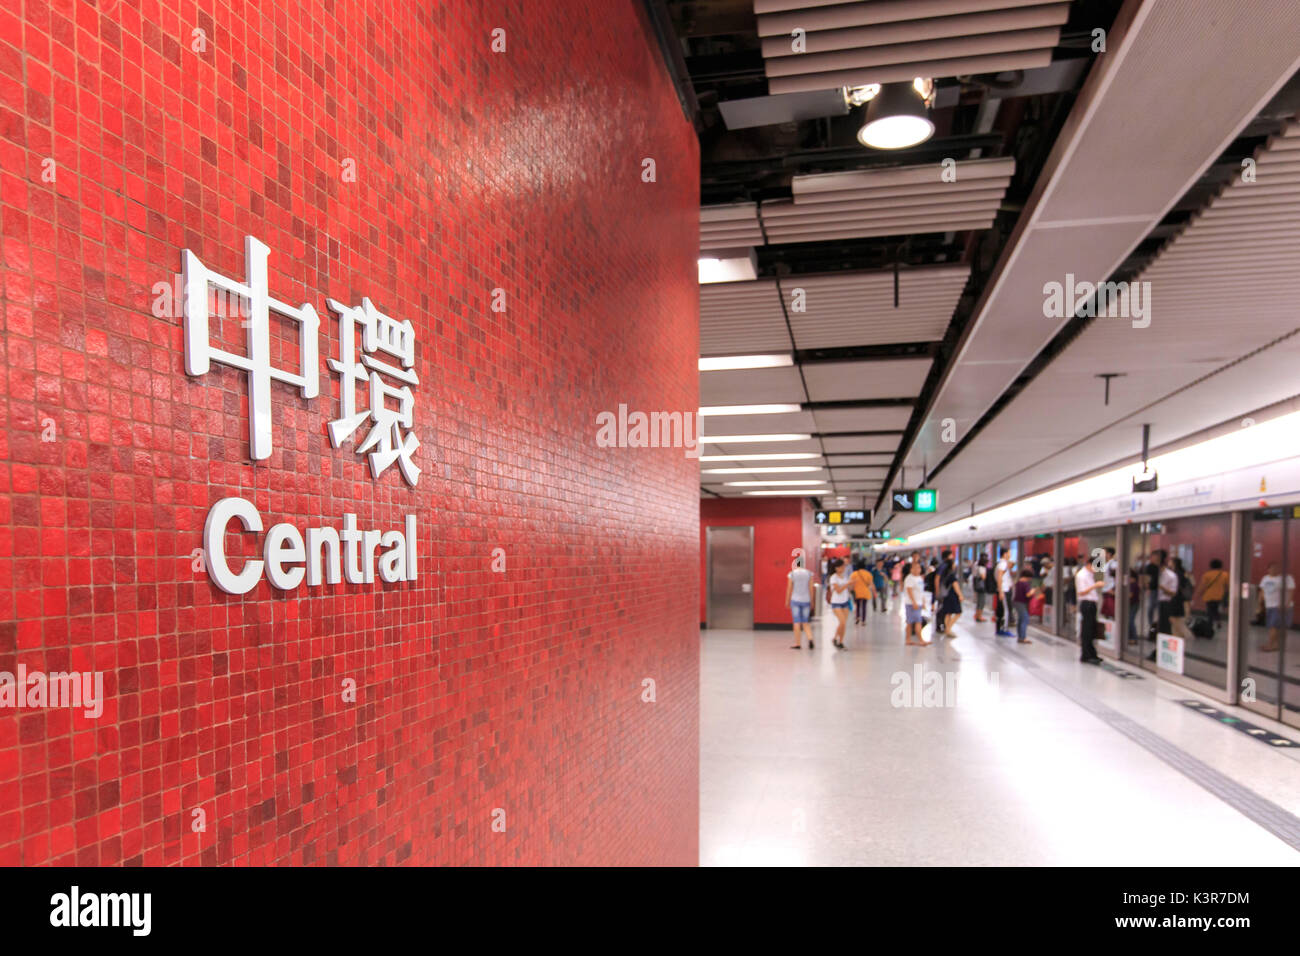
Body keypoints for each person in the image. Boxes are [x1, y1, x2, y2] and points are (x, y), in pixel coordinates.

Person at [1258, 562, 1295, 653]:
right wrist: (1260, 604)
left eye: (1276, 568)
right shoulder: (1265, 578)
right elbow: (1262, 591)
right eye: (1272, 568)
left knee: (1274, 626)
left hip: (1280, 606)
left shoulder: (1287, 578)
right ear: (1268, 569)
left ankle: (1272, 645)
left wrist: (1286, 603)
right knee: (1273, 626)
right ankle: (1275, 645)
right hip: (1269, 605)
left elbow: (1291, 591)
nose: (1274, 569)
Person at [1075, 557, 1104, 663]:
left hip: (1091, 604)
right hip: (1087, 604)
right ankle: (1086, 655)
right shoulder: (1082, 575)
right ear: (1089, 564)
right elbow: (1081, 592)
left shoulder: (1090, 574)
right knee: (1087, 630)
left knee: (1091, 629)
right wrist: (1095, 585)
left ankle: (1091, 653)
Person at [786, 557, 816, 650]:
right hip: (806, 600)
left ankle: (798, 643)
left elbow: (789, 588)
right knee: (805, 622)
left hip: (795, 599)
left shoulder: (792, 574)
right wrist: (812, 601)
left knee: (796, 622)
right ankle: (810, 639)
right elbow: (811, 588)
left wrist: (787, 600)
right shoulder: (809, 573)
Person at [1193, 558, 1229, 631]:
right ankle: (1218, 621)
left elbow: (1203, 586)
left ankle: (1210, 623)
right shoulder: (1225, 574)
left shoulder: (1207, 575)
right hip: (1220, 595)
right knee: (1215, 609)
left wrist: (1197, 594)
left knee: (1210, 610)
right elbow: (1227, 586)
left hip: (1209, 596)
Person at [826, 558, 852, 650]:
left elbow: (847, 590)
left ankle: (840, 641)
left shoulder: (845, 577)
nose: (843, 568)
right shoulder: (833, 577)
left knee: (843, 624)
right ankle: (835, 639)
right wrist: (847, 584)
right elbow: (838, 590)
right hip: (836, 603)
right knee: (842, 622)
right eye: (841, 566)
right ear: (837, 568)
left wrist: (850, 585)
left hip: (845, 602)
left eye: (844, 566)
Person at [903, 559, 929, 647]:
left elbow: (921, 591)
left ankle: (908, 639)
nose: (918, 570)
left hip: (918, 603)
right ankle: (920, 640)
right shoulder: (909, 578)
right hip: (911, 604)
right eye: (915, 568)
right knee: (916, 622)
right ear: (911, 569)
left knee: (913, 622)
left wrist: (923, 602)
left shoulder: (919, 578)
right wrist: (914, 602)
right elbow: (909, 591)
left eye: (919, 568)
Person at [1011, 568, 1038, 644]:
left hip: (1016, 602)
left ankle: (1020, 636)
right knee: (1025, 619)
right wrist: (1033, 590)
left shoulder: (1018, 582)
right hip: (1021, 603)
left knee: (1020, 619)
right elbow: (1028, 594)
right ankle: (1023, 637)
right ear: (1028, 577)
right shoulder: (1025, 584)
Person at [940, 557, 963, 637]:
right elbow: (955, 586)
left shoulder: (944, 574)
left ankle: (948, 629)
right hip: (952, 595)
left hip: (946, 595)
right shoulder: (952, 575)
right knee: (958, 613)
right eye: (954, 563)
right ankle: (948, 629)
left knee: (948, 613)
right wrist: (960, 595)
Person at [993, 549, 1013, 637]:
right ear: (1005, 554)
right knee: (1006, 610)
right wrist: (1001, 591)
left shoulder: (1000, 563)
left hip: (1003, 589)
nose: (1010, 554)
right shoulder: (1003, 564)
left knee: (1001, 610)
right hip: (1004, 590)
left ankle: (999, 629)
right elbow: (1000, 577)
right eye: (1009, 553)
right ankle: (1004, 629)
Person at [850, 559, 875, 626]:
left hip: (857, 592)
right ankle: (863, 620)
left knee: (857, 606)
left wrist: (850, 590)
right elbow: (871, 584)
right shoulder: (868, 574)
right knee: (864, 606)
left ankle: (857, 617)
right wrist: (874, 592)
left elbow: (852, 584)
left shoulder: (854, 574)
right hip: (865, 592)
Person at [1101, 547, 1118, 620]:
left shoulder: (1114, 564)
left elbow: (1117, 576)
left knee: (1112, 610)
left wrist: (1113, 589)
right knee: (1107, 612)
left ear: (1109, 554)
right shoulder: (1108, 563)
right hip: (1106, 588)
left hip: (1110, 589)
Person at [973, 554, 989, 622]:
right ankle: (979, 616)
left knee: (979, 601)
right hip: (981, 586)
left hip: (977, 585)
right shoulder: (981, 567)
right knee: (981, 601)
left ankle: (977, 615)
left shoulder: (976, 564)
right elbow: (983, 577)